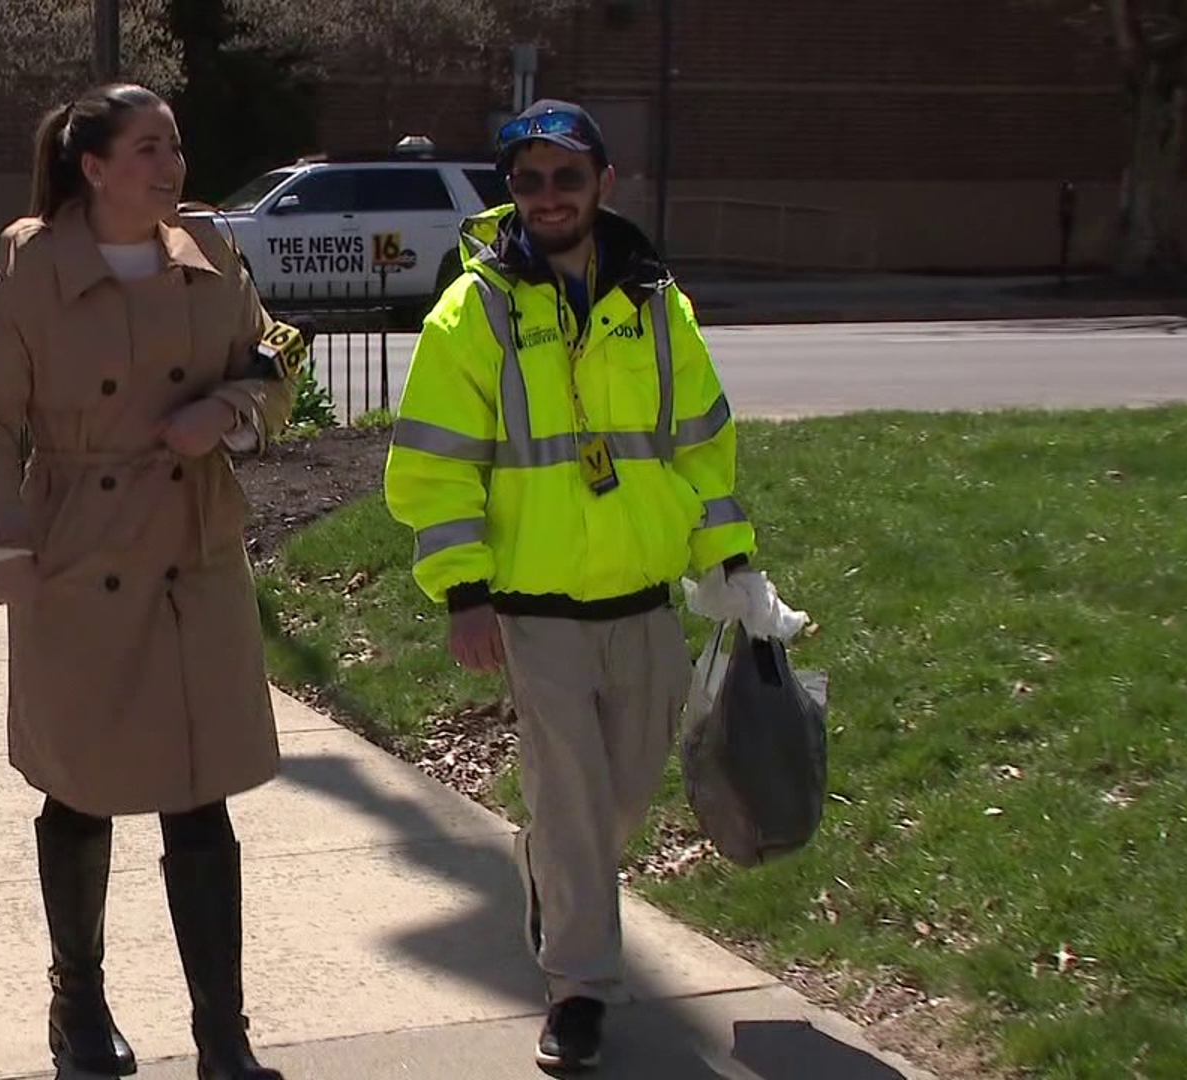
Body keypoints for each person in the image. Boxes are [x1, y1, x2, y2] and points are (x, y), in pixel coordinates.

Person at [382, 99, 809, 1071]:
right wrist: (464, 589)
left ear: (603, 186)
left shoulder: (660, 308)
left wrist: (732, 567)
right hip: (534, 612)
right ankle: (579, 993)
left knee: (615, 805)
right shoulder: (475, 310)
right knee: (574, 804)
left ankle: (552, 881)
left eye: (565, 180)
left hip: (643, 605)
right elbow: (434, 465)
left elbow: (702, 452)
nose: (545, 198)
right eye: (526, 181)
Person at [0, 82, 303, 1080]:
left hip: (194, 554)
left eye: (174, 147)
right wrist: (1, 542)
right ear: (93, 167)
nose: (169, 166)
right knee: (81, 793)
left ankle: (223, 1040)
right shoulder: (34, 269)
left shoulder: (209, 255)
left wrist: (228, 412)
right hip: (77, 557)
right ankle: (78, 1009)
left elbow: (277, 357)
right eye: (147, 149)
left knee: (201, 799)